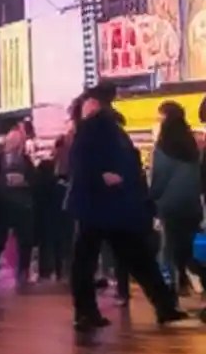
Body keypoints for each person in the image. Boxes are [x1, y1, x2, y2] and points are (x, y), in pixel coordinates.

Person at [68, 86, 186, 330]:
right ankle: (163, 305)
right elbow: (88, 164)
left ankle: (88, 312)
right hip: (105, 205)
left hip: (102, 205)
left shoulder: (99, 128)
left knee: (96, 259)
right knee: (130, 257)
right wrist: (106, 177)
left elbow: (86, 164)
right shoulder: (103, 129)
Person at [149, 102, 206, 299]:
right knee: (189, 247)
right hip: (192, 204)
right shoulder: (193, 146)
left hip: (170, 206)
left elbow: (158, 179)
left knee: (170, 248)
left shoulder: (162, 149)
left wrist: (152, 199)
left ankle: (173, 287)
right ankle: (189, 277)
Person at [0, 128, 36, 285]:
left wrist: (25, 183)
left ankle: (22, 272)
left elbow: (34, 179)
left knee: (24, 240)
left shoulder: (25, 160)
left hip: (22, 203)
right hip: (4, 202)